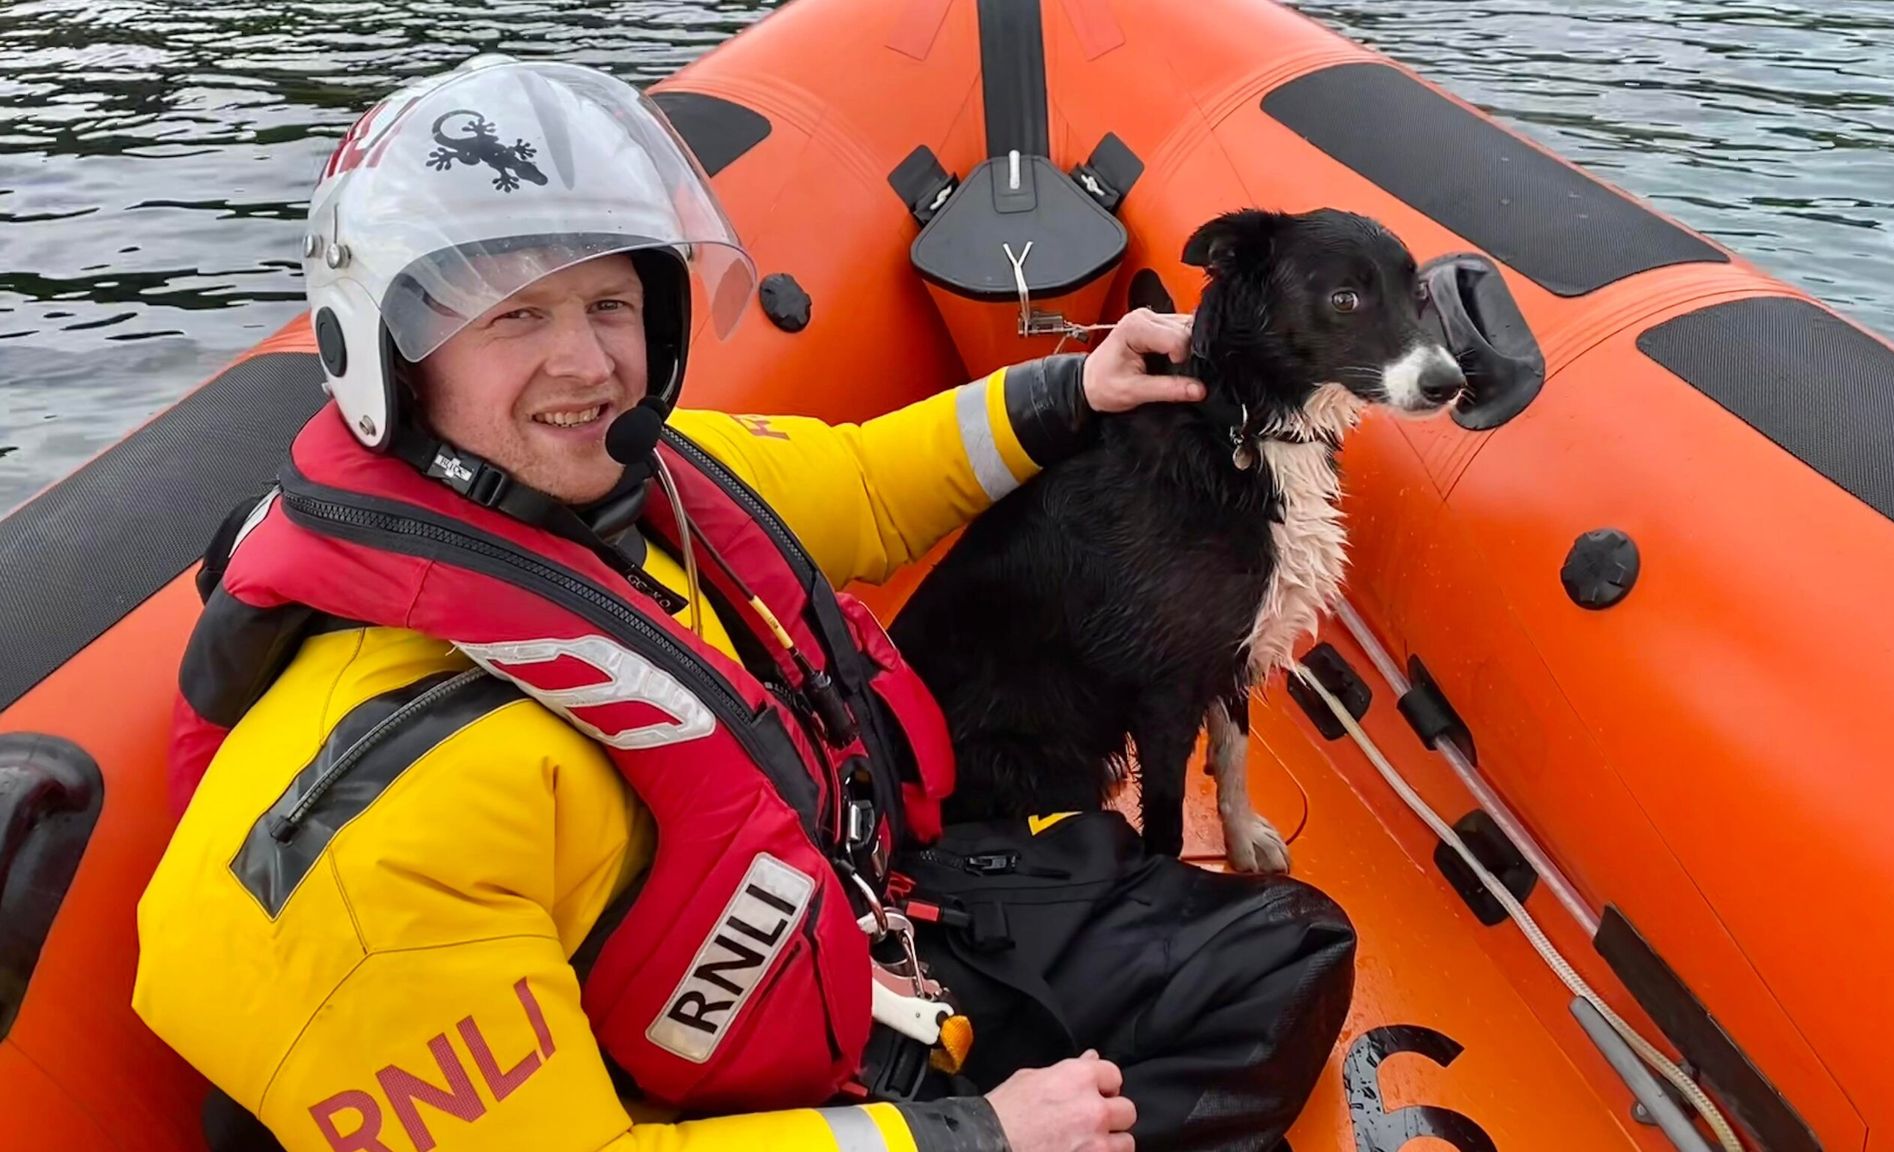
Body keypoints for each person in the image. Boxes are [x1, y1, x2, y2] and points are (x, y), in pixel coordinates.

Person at [133, 55, 1355, 1152]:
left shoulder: (630, 480)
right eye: (515, 316)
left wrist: (1073, 387)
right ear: (391, 359)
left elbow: (866, 486)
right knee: (1252, 979)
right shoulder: (378, 851)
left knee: (1272, 940)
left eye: (610, 306)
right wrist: (977, 1137)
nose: (587, 365)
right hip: (748, 1089)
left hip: (848, 920)